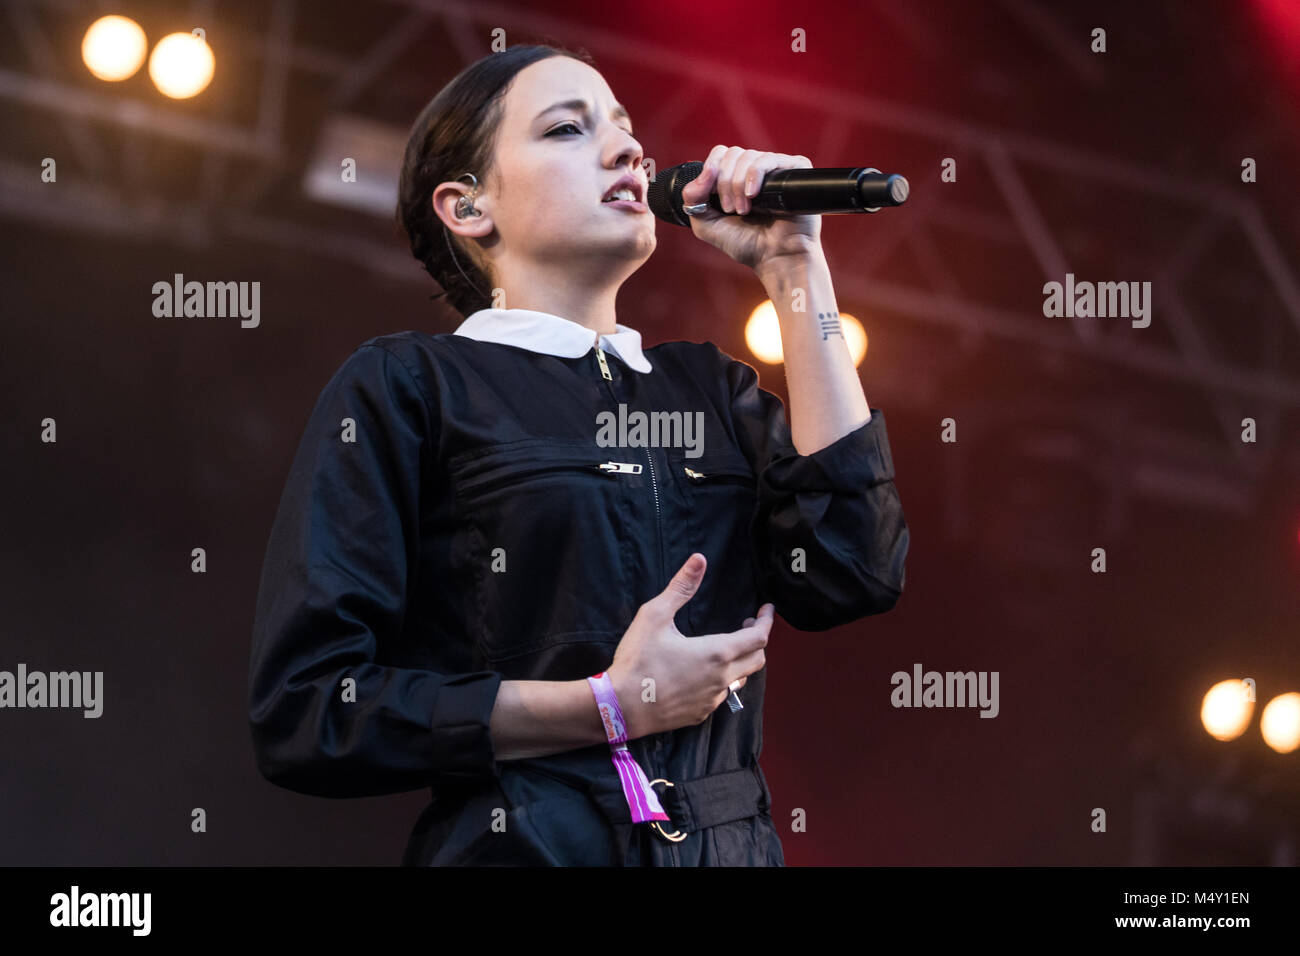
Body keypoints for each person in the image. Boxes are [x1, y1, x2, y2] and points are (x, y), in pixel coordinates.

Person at [247, 42, 908, 866]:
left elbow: (854, 565)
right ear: (467, 207)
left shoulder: (708, 389)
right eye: (567, 128)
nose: (629, 149)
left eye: (628, 130)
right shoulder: (414, 386)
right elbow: (309, 710)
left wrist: (794, 264)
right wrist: (606, 707)